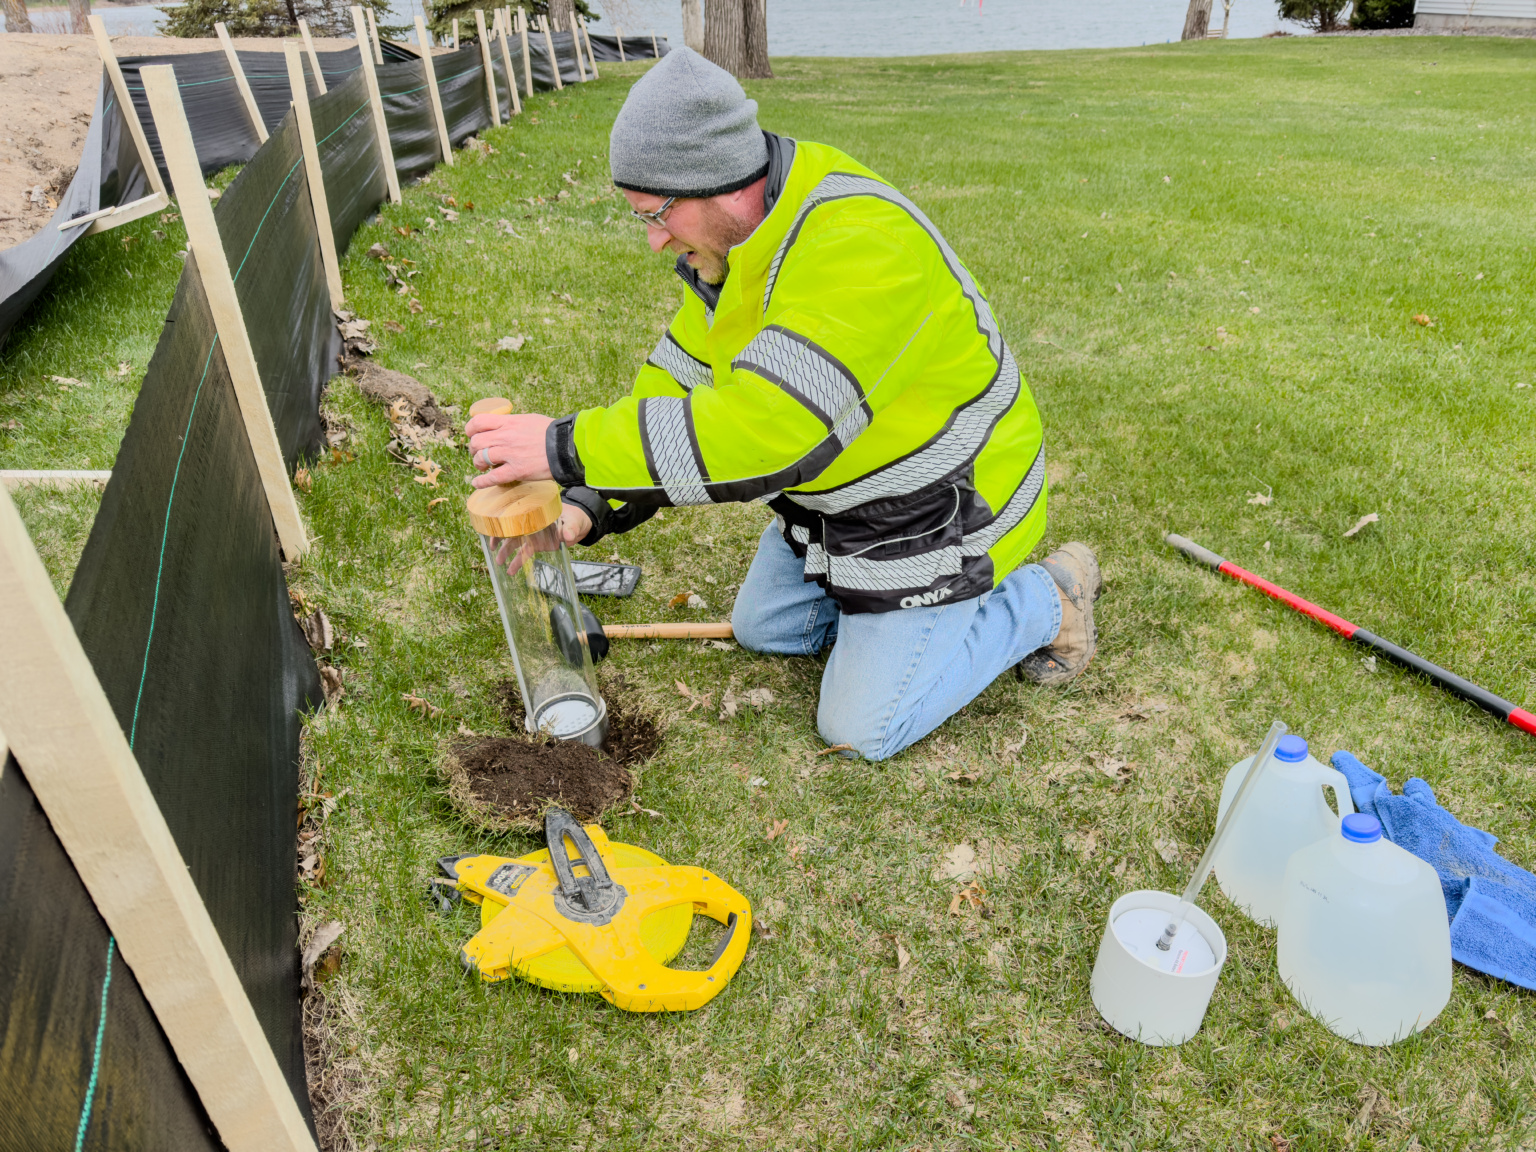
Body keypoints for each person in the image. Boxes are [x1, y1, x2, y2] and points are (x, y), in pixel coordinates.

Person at [465, 48, 1101, 760]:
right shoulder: (743, 243)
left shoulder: (861, 247)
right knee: (765, 630)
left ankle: (1047, 599)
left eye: (658, 214)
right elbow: (681, 378)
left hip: (940, 507)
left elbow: (767, 436)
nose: (653, 239)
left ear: (718, 184)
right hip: (842, 501)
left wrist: (562, 448)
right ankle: (880, 622)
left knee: (859, 730)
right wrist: (589, 501)